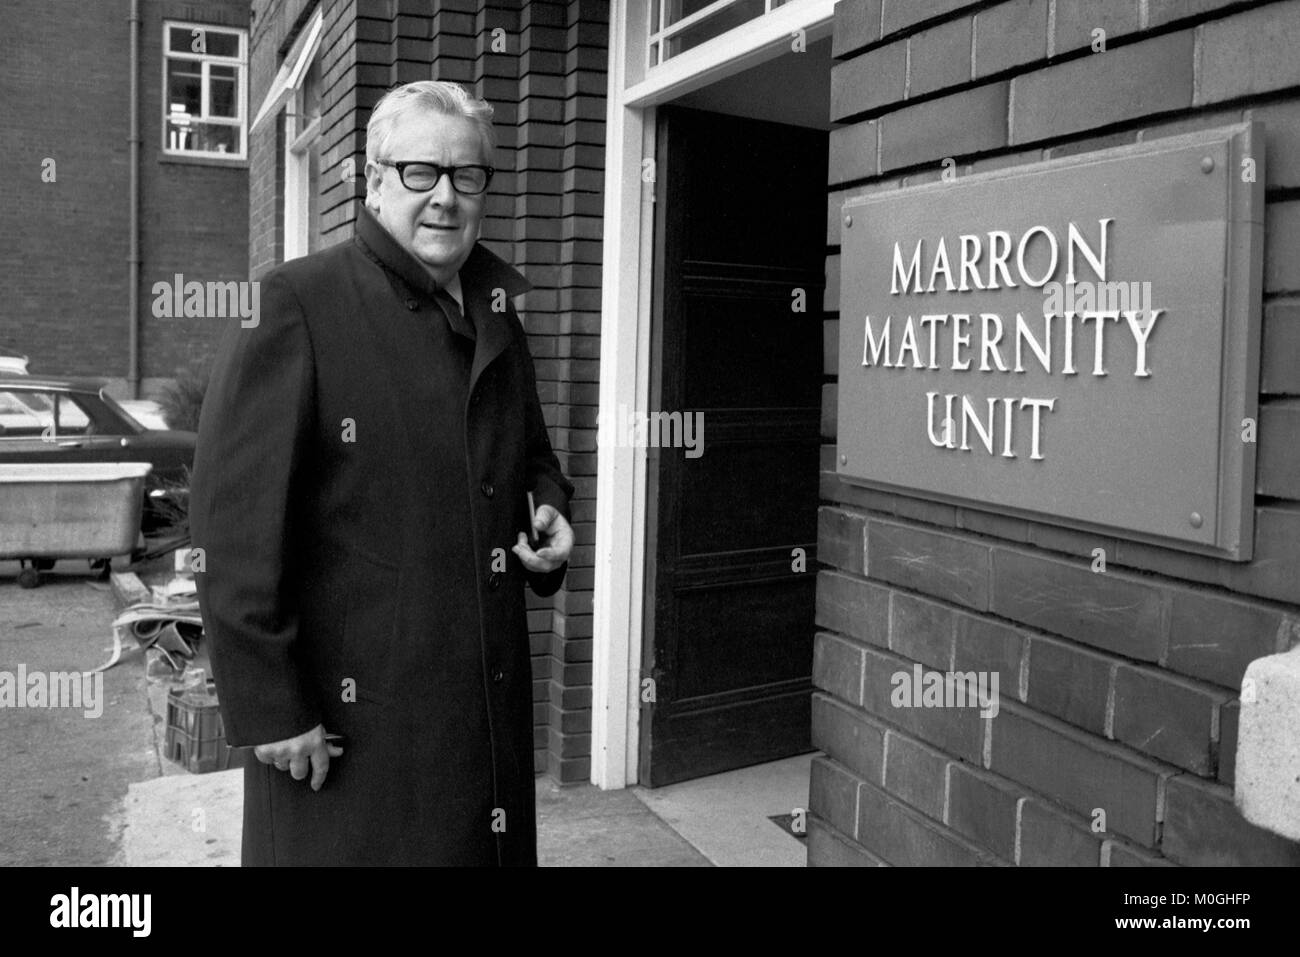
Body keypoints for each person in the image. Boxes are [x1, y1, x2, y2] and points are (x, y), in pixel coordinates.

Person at [190, 80, 574, 866]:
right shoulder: (296, 304)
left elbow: (533, 457)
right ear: (372, 179)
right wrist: (270, 708)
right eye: (419, 172)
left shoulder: (497, 311)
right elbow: (232, 529)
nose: (445, 198)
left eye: (468, 176)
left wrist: (548, 508)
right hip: (347, 739)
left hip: (480, 731)